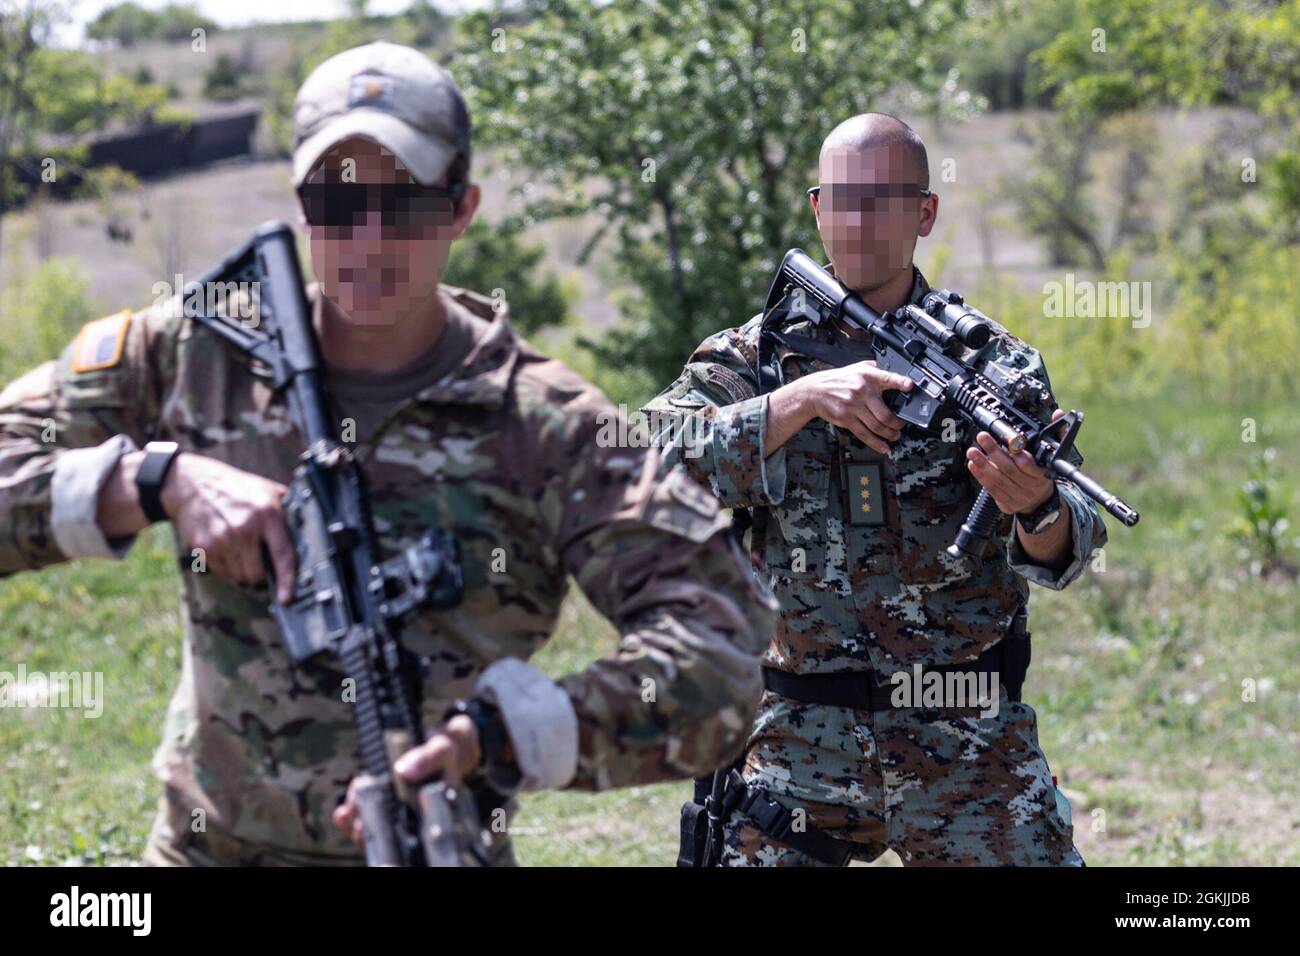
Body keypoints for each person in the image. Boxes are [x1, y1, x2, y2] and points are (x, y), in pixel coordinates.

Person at [0, 41, 773, 866]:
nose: (368, 237)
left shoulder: (545, 424)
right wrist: (153, 480)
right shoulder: (196, 353)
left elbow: (724, 655)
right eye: (337, 201)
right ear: (301, 206)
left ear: (462, 206)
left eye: (403, 202)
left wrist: (507, 734)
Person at [643, 112, 1107, 866]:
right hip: (797, 740)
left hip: (965, 733)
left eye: (881, 199)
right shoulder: (753, 356)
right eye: (840, 199)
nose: (856, 221)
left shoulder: (995, 366)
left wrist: (1037, 507)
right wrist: (799, 402)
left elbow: (1072, 543)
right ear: (817, 207)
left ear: (924, 212)